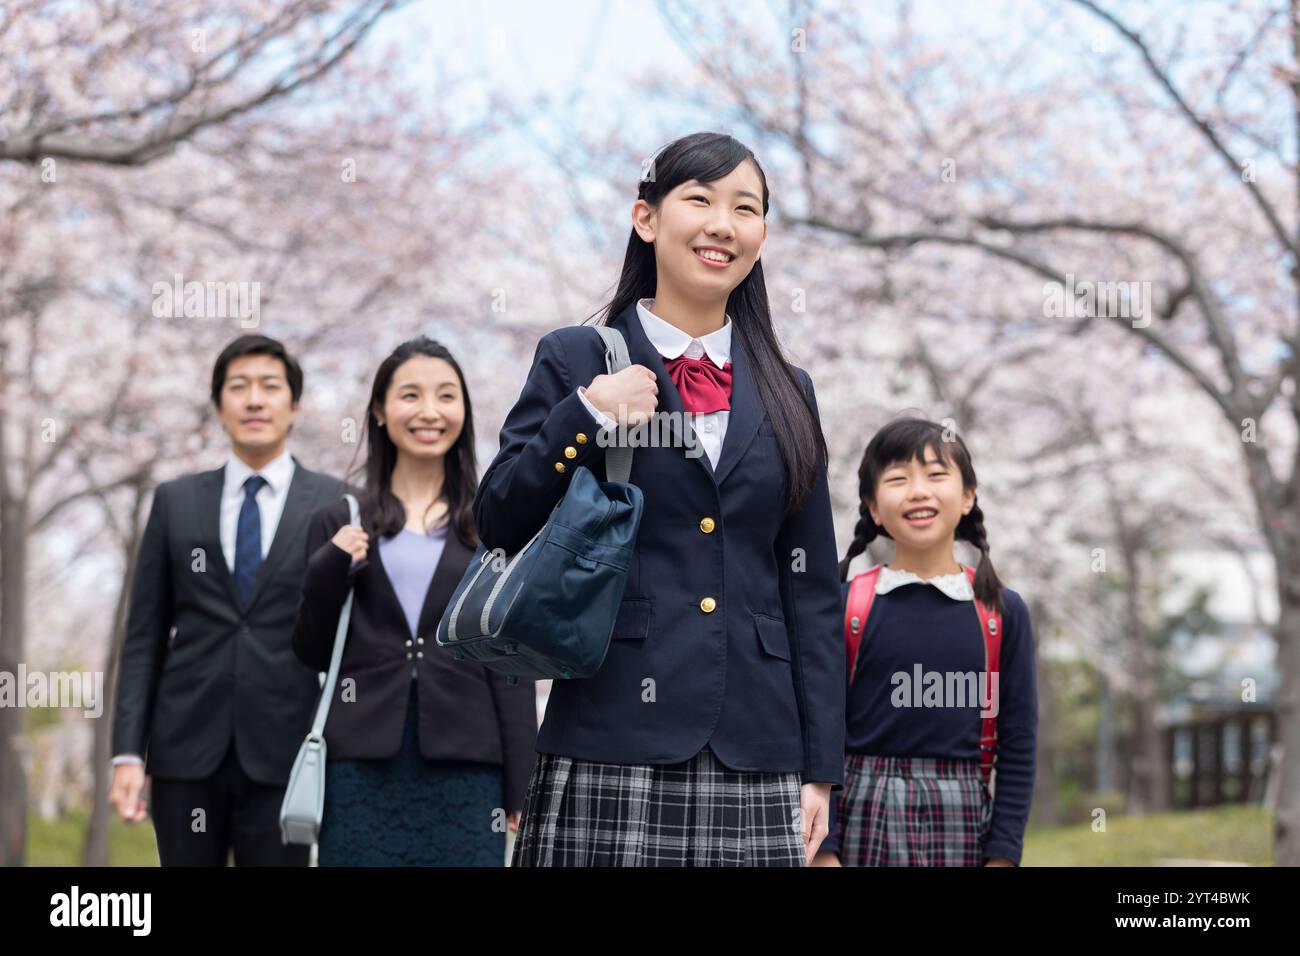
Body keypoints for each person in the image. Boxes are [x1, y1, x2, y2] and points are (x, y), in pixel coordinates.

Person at [475, 131, 844, 866]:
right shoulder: (577, 357)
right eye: (699, 200)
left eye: (746, 208)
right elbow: (499, 518)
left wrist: (821, 768)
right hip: (613, 728)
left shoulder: (790, 388)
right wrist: (586, 413)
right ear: (646, 218)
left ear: (762, 234)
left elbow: (812, 589)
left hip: (759, 743)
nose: (723, 225)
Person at [293, 336, 537, 866]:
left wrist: (522, 780)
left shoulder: (493, 523)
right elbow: (310, 650)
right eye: (410, 396)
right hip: (359, 761)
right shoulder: (339, 520)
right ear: (380, 411)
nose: (430, 412)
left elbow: (511, 665)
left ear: (464, 411)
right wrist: (331, 566)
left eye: (446, 396)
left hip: (469, 767)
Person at [110, 334, 344, 866]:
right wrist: (128, 751)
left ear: (294, 404)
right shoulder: (175, 500)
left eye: (270, 386)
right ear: (219, 406)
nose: (254, 400)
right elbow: (145, 634)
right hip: (185, 751)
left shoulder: (334, 502)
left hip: (289, 749)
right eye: (238, 387)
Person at [815, 416, 1038, 866]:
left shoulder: (1000, 613)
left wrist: (1003, 855)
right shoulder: (846, 607)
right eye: (898, 479)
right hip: (863, 810)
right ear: (874, 507)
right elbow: (820, 735)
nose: (919, 491)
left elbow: (1018, 742)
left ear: (968, 497)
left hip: (963, 818)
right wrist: (825, 850)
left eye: (937, 475)